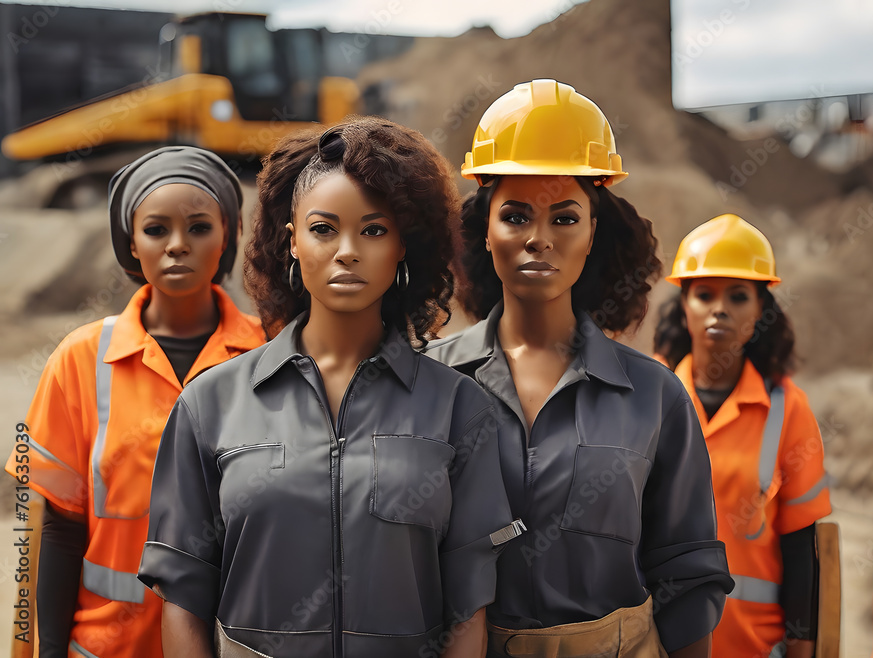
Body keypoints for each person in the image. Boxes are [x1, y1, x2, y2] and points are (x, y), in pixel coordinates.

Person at [138, 117, 519, 658]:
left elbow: (469, 609)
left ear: (404, 247)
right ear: (290, 241)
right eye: (323, 229)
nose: (347, 251)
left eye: (374, 230)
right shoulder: (209, 405)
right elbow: (183, 599)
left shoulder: (461, 410)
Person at [425, 79, 733, 658]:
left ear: (595, 231)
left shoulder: (655, 397)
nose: (539, 239)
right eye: (515, 216)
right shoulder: (427, 384)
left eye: (564, 218)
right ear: (483, 231)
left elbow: (687, 572)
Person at [4, 146, 266, 658]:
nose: (177, 246)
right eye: (156, 230)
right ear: (130, 243)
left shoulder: (268, 356)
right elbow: (56, 526)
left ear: (229, 236)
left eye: (197, 227)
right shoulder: (81, 359)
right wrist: (47, 649)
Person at [652, 213, 832, 658]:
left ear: (760, 310)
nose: (720, 309)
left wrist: (803, 646)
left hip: (753, 647)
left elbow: (800, 546)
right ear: (683, 306)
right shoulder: (647, 398)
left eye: (738, 296)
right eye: (704, 294)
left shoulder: (789, 410)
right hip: (659, 643)